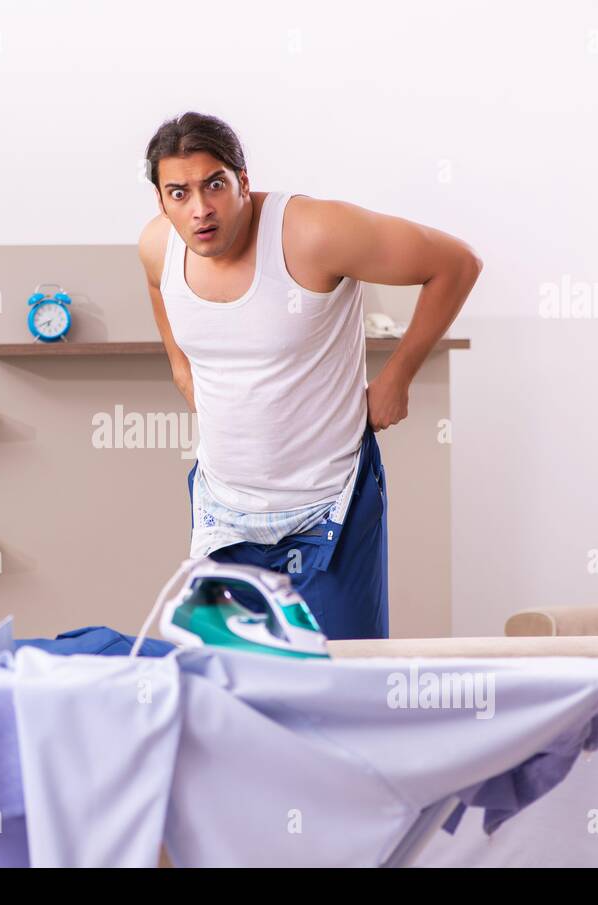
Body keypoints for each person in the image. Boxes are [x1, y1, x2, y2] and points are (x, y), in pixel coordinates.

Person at [138, 112, 481, 639]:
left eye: (214, 185)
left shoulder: (313, 232)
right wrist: (182, 372)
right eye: (178, 193)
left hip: (329, 503)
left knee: (344, 683)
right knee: (232, 688)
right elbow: (160, 289)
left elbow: (456, 264)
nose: (200, 209)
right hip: (224, 511)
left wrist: (397, 378)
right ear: (162, 202)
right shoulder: (158, 246)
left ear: (242, 182)